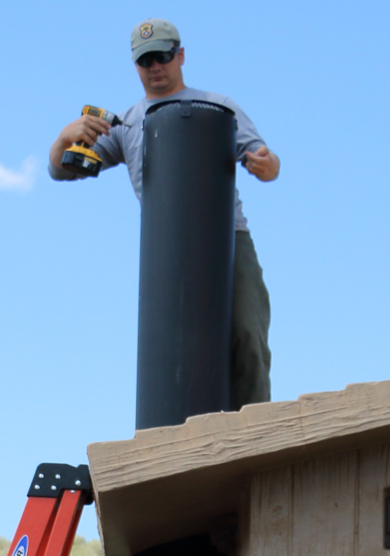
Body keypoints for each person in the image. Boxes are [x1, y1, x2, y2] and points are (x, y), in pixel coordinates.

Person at [49, 18, 279, 411]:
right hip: (168, 245)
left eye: (165, 56)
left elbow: (268, 163)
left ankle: (254, 428)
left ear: (181, 55)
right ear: (136, 66)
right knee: (172, 353)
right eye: (147, 60)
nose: (156, 67)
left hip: (228, 237)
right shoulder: (125, 124)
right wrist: (64, 137)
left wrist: (264, 164)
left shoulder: (219, 106)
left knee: (247, 331)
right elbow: (60, 170)